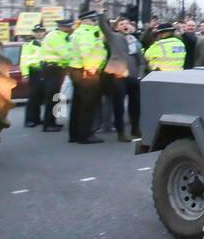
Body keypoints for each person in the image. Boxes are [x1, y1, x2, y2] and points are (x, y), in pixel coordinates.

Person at [68, 10, 108, 144]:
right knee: (88, 105)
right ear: (89, 20)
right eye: (94, 20)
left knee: (77, 104)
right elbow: (87, 52)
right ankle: (86, 135)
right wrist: (90, 69)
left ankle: (75, 134)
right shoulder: (87, 33)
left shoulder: (77, 32)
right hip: (87, 71)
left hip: (77, 70)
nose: (95, 22)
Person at [38, 18, 74, 132]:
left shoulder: (59, 36)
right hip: (52, 68)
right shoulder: (55, 36)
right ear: (63, 27)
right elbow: (65, 54)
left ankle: (52, 122)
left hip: (56, 68)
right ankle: (48, 124)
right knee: (52, 96)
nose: (70, 29)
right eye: (69, 27)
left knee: (55, 97)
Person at [117, 17, 144, 137]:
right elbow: (103, 27)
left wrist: (140, 74)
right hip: (119, 77)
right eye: (121, 24)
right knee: (118, 106)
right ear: (117, 28)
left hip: (134, 77)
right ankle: (121, 132)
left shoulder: (135, 41)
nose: (124, 25)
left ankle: (135, 128)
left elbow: (141, 61)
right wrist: (100, 12)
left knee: (135, 105)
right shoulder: (114, 38)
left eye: (126, 23)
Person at [20, 24, 47, 127]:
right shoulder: (29, 45)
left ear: (44, 32)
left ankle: (38, 119)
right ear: (34, 33)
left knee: (42, 97)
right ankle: (29, 120)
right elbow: (24, 60)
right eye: (37, 31)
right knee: (33, 97)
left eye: (41, 31)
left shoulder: (47, 43)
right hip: (35, 72)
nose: (39, 33)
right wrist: (25, 74)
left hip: (45, 71)